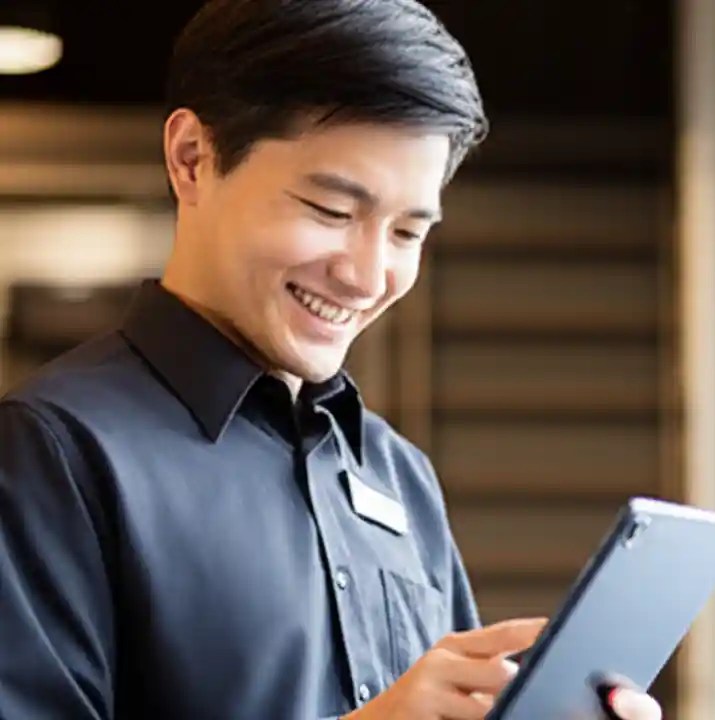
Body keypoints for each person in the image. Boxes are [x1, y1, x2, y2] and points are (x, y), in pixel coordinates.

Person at [0, 1, 662, 718]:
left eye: (407, 232)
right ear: (192, 159)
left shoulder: (396, 473)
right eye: (331, 211)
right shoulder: (53, 451)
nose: (369, 275)